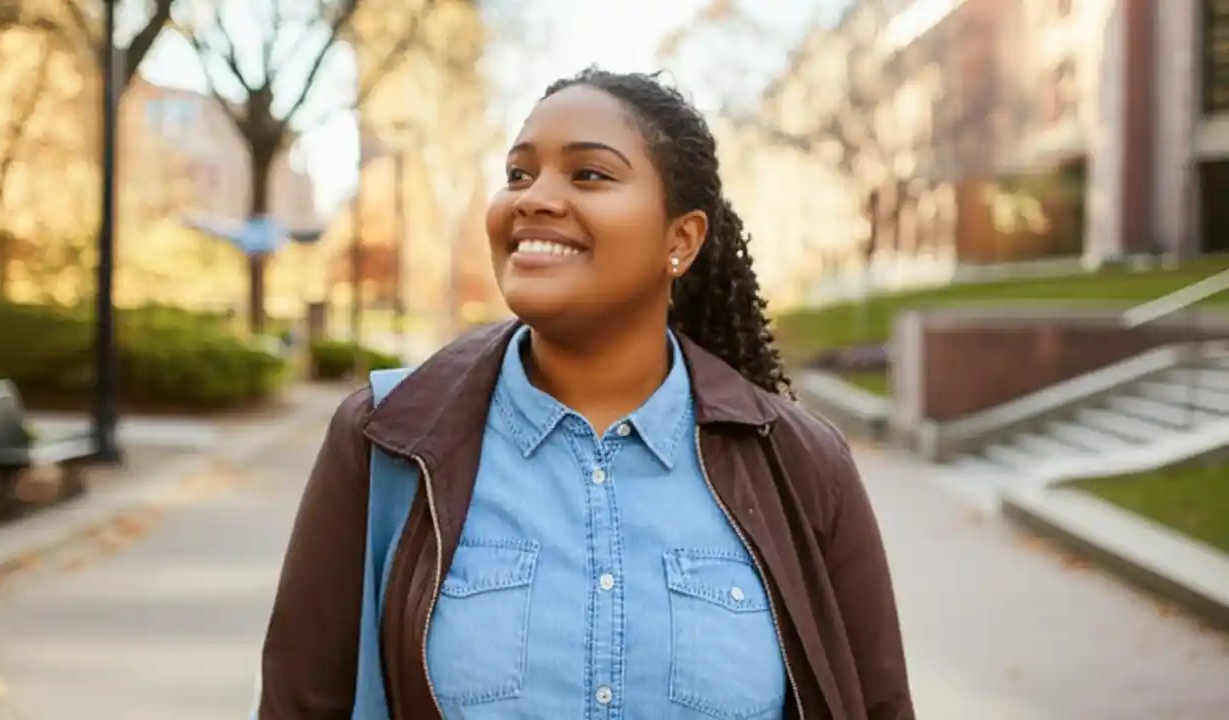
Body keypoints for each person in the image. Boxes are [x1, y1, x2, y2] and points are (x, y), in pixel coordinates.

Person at [257, 68, 914, 720]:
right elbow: (300, 703)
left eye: (589, 174)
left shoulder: (800, 466)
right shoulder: (387, 438)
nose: (534, 198)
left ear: (680, 240)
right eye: (518, 173)